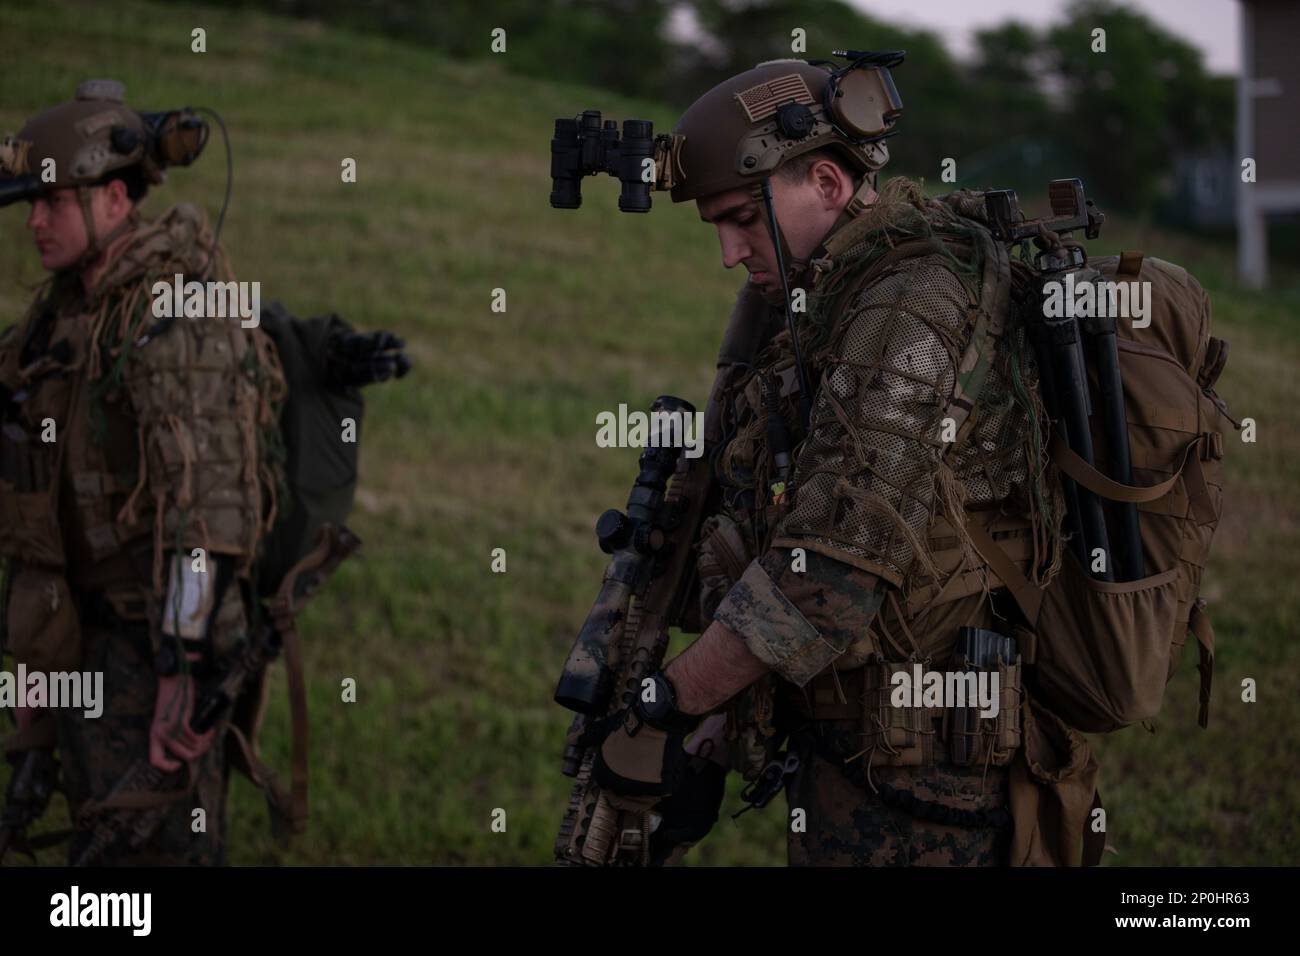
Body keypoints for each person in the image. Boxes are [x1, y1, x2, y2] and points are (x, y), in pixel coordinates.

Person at [584, 58, 1064, 866]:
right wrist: (711, 727)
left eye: (741, 219)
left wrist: (661, 705)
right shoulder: (830, 295)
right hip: (858, 742)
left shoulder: (911, 303)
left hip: (929, 779)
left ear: (831, 184)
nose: (731, 255)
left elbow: (827, 578)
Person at [0, 79, 284, 864]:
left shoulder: (173, 314)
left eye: (54, 201)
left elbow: (208, 517)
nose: (35, 221)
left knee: (153, 852)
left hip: (151, 645)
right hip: (72, 634)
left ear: (117, 201)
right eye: (32, 203)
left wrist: (178, 673)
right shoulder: (59, 315)